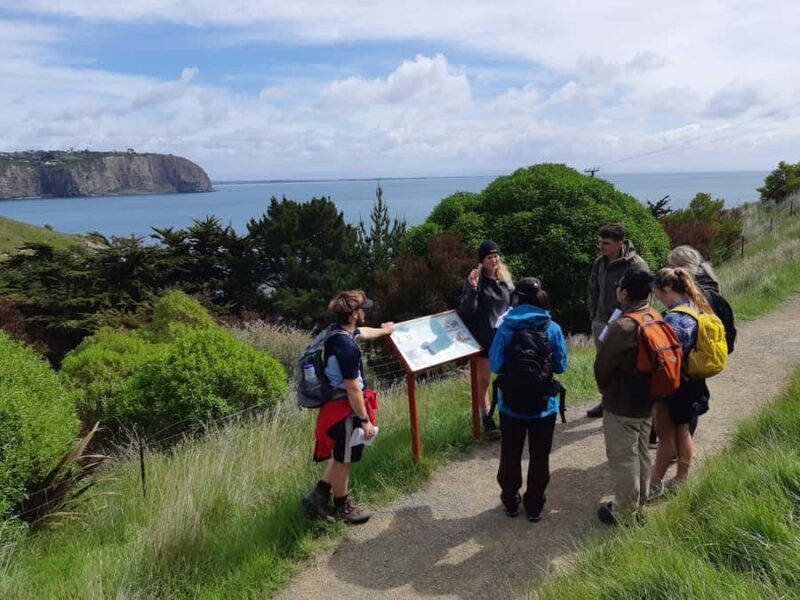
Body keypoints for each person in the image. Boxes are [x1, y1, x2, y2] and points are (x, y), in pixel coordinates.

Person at [301, 290, 395, 525]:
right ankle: (343, 507)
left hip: (335, 408)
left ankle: (318, 496)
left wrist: (385, 331)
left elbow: (364, 332)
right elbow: (353, 388)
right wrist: (364, 420)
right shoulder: (347, 348)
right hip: (345, 412)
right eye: (363, 309)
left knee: (342, 457)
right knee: (345, 461)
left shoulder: (337, 334)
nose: (365, 313)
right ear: (354, 314)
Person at [489, 277, 568, 522]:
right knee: (539, 456)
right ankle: (534, 505)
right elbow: (561, 365)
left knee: (510, 453)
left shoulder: (506, 327)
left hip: (510, 405)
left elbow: (495, 363)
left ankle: (510, 501)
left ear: (518, 299)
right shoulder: (551, 327)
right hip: (544, 405)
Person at [594, 269, 656, 525]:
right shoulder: (653, 315)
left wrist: (603, 387)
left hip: (623, 402)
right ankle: (640, 505)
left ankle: (625, 514)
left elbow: (603, 364)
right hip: (648, 399)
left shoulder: (624, 325)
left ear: (625, 293)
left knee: (623, 458)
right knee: (642, 452)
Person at [648, 268, 714, 498]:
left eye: (658, 294)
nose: (657, 299)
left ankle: (654, 483)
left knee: (666, 436)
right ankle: (681, 478)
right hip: (692, 381)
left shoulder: (674, 318)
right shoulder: (695, 307)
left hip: (673, 384)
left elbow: (664, 355)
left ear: (667, 290)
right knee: (684, 432)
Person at [666, 245, 736, 436]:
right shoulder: (713, 291)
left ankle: (680, 446)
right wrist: (723, 349)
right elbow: (728, 326)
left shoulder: (688, 297)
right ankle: (681, 443)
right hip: (702, 357)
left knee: (685, 403)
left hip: (686, 360)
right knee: (692, 399)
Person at [586, 223, 649, 418]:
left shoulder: (636, 264)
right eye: (600, 242)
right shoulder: (600, 262)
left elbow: (645, 297)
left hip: (626, 325)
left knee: (626, 366)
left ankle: (626, 404)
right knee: (605, 364)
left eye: (606, 243)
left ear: (620, 242)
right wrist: (594, 316)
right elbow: (593, 289)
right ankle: (606, 401)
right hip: (601, 321)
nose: (601, 246)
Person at [458, 239, 513, 439]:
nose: (494, 260)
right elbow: (467, 309)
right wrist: (472, 288)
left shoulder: (505, 277)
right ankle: (487, 419)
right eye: (489, 257)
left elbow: (512, 302)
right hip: (484, 339)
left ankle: (508, 415)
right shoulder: (476, 279)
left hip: (505, 338)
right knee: (484, 383)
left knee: (508, 378)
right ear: (482, 260)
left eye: (496, 255)